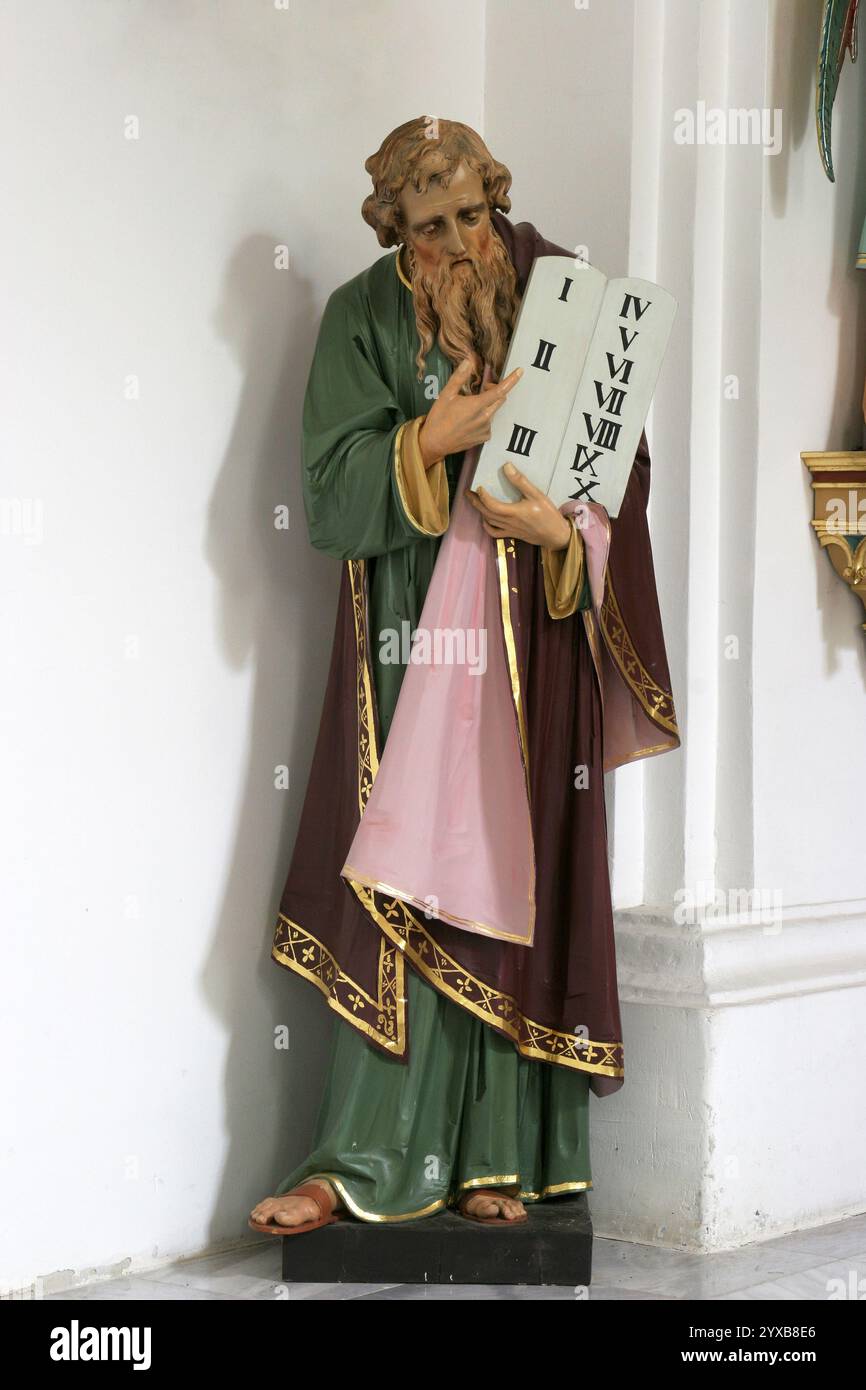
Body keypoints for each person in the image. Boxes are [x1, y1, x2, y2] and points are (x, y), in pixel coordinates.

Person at [250, 117, 679, 1234]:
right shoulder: (357, 318)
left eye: (471, 216)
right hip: (409, 652)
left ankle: (499, 1157)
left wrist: (557, 531)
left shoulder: (561, 290)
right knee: (400, 878)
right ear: (393, 227)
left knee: (508, 876)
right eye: (427, 227)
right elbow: (328, 485)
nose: (455, 244)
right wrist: (425, 444)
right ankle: (351, 1159)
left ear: (497, 201)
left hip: (531, 652)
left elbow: (618, 462)